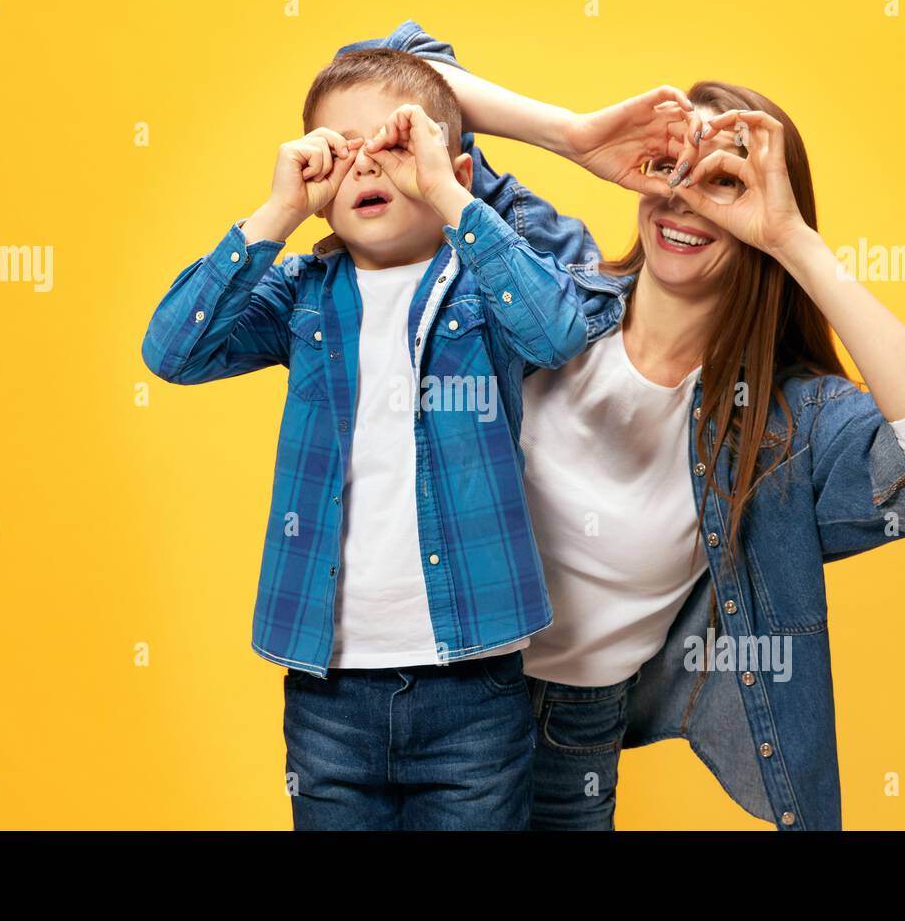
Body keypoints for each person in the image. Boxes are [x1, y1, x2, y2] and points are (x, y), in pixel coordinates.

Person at [340, 21, 905, 830]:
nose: (683, 198)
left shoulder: (784, 426)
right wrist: (576, 137)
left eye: (723, 185)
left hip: (566, 737)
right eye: (669, 169)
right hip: (418, 692)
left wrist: (794, 241)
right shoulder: (543, 277)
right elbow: (385, 82)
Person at [139, 47, 587, 829]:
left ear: (456, 170)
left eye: (393, 144)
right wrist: (274, 215)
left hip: (473, 684)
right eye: (338, 151)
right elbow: (173, 351)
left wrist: (452, 199)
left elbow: (556, 333)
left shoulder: (485, 287)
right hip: (328, 694)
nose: (365, 165)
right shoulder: (301, 295)